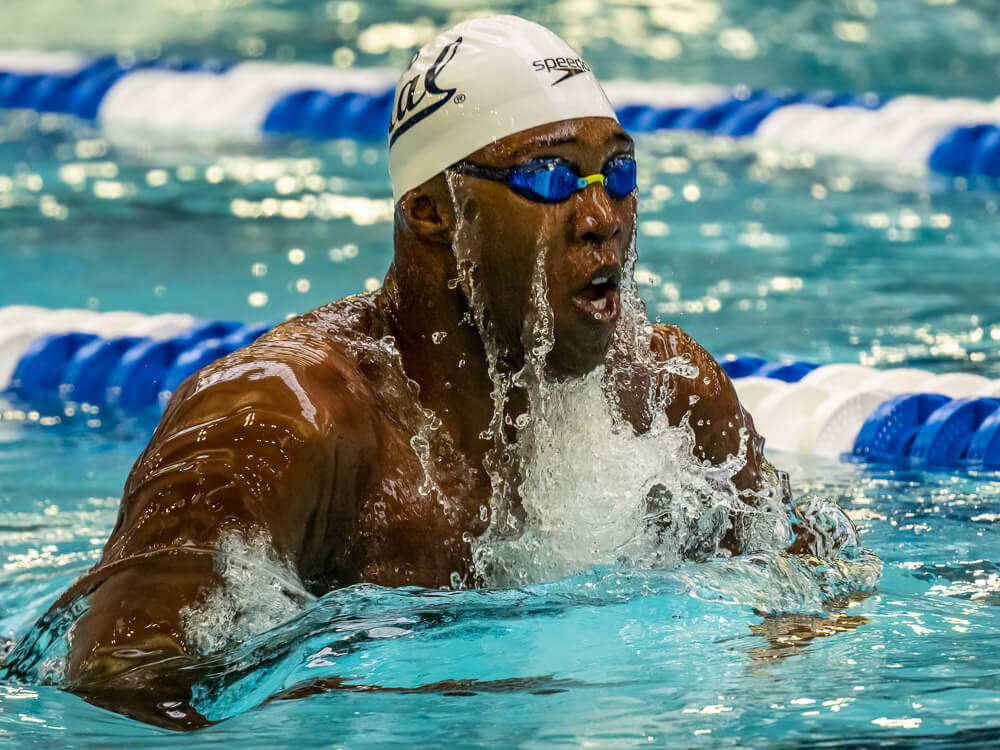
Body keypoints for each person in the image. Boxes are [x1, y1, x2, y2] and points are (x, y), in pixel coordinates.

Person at [41, 15, 826, 729]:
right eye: (550, 177)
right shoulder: (287, 421)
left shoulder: (662, 393)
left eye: (615, 173)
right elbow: (121, 682)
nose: (601, 217)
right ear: (432, 212)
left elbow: (808, 557)